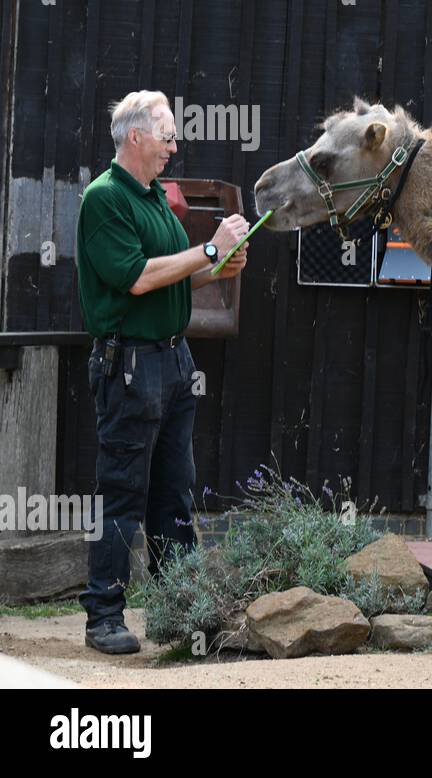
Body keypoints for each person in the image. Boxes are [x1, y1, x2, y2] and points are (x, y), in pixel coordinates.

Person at [75, 90, 250, 654]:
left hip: (173, 362)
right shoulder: (105, 199)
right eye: (167, 135)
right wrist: (206, 252)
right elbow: (135, 278)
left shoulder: (152, 198)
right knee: (123, 493)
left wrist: (220, 263)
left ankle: (177, 613)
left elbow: (174, 277)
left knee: (173, 495)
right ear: (135, 137)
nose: (174, 146)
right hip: (129, 365)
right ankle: (104, 617)